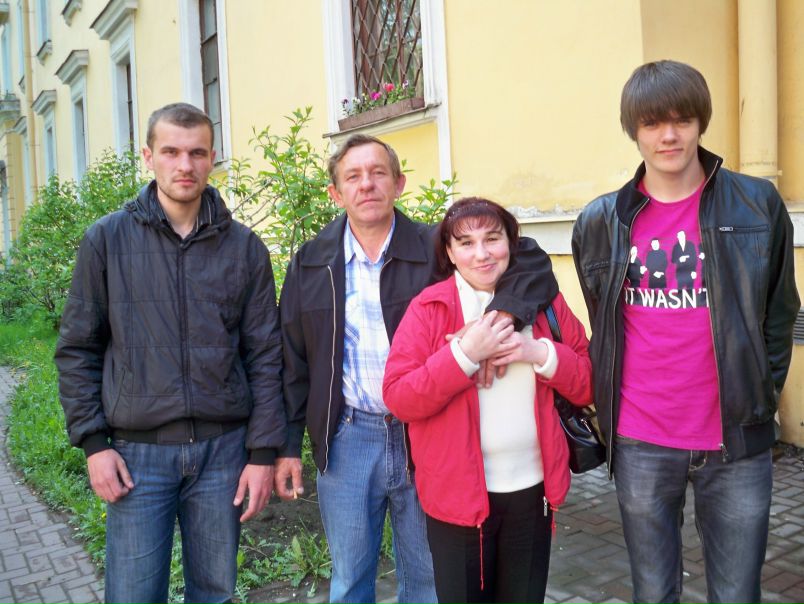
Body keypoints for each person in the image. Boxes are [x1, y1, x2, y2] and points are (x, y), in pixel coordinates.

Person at [276, 135, 557, 604]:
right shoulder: (311, 261)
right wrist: (286, 446)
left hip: (424, 433)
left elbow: (529, 259)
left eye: (378, 173)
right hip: (347, 437)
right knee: (349, 578)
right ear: (335, 193)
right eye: (353, 177)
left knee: (427, 579)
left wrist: (498, 319)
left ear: (399, 183)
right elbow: (293, 359)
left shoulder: (436, 247)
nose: (367, 185)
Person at [572, 60, 800, 604]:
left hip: (735, 441)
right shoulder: (601, 221)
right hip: (640, 440)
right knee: (653, 593)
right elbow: (605, 321)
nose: (668, 136)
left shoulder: (757, 205)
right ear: (634, 130)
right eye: (652, 123)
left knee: (737, 593)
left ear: (701, 122)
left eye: (682, 120)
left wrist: (759, 397)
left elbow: (779, 313)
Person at [54, 102, 285, 604]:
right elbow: (77, 350)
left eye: (197, 153)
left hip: (223, 453)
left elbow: (266, 354)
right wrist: (94, 445)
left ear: (212, 158)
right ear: (148, 157)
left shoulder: (244, 248)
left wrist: (262, 453)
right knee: (134, 594)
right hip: (137, 456)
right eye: (171, 152)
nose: (185, 165)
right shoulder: (106, 240)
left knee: (215, 593)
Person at [382, 197, 593, 604]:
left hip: (533, 493)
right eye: (465, 243)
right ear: (449, 253)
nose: (481, 254)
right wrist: (464, 355)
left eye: (492, 239)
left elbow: (587, 384)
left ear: (511, 243)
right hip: (457, 500)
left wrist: (538, 352)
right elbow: (400, 398)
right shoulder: (429, 308)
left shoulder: (545, 303)